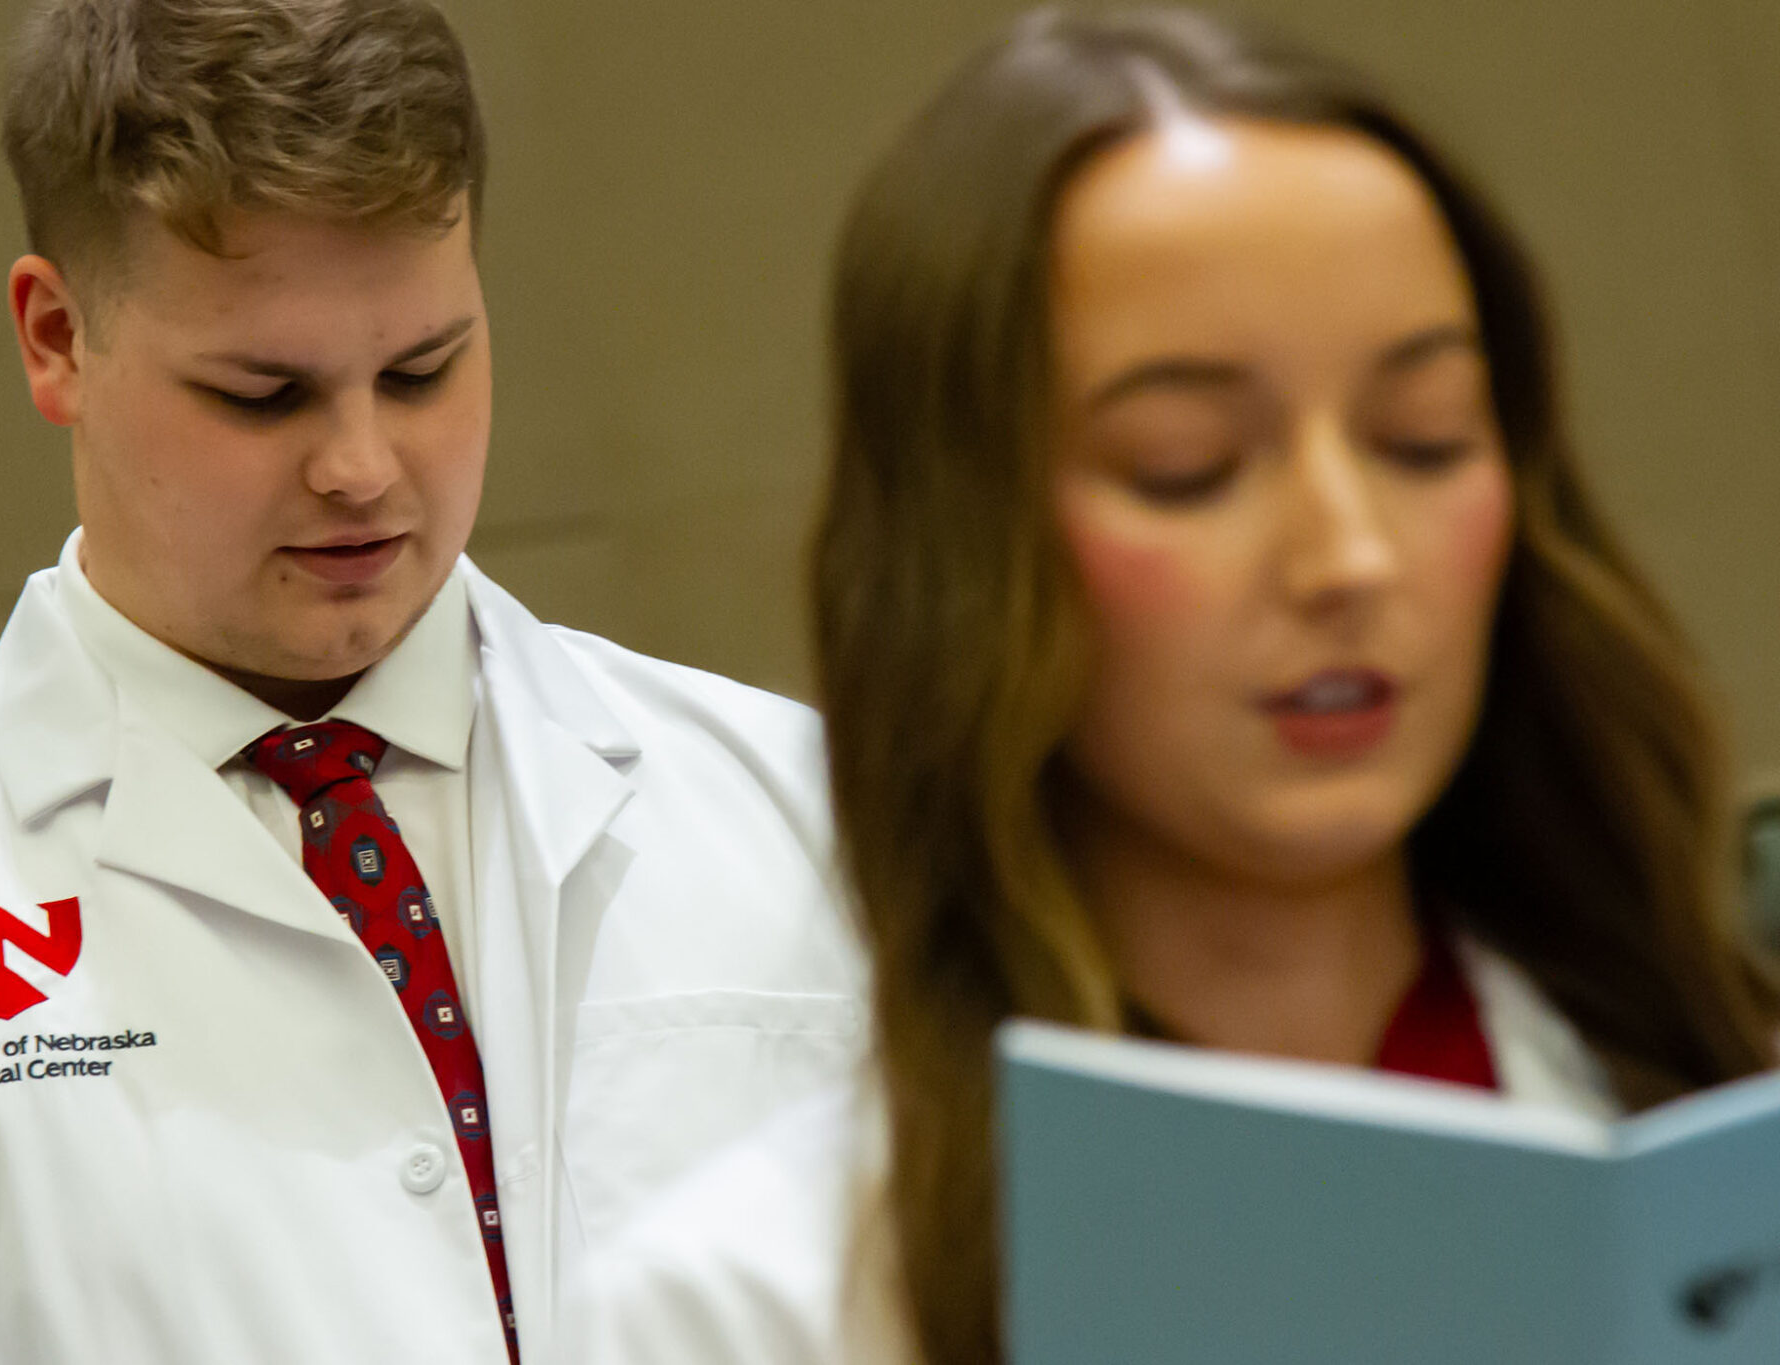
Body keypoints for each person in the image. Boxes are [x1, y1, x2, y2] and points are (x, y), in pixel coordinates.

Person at [562, 7, 1780, 1363]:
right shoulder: (750, 1305)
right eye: (1186, 464)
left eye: (1422, 439)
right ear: (967, 548)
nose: (1349, 556)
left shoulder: (1713, 1133)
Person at [0, 2, 864, 1362]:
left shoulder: (805, 815)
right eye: (264, 394)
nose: (362, 467)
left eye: (423, 369)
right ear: (55, 338)